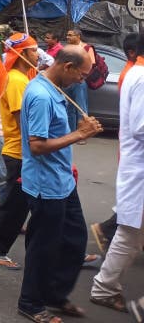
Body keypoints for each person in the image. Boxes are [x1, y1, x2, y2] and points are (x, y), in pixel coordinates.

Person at [16, 46, 103, 322]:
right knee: (43, 247)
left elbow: (52, 132)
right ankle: (30, 302)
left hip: (63, 181)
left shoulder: (53, 87)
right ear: (68, 67)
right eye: (82, 75)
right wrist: (79, 134)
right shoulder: (41, 95)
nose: (83, 81)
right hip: (46, 186)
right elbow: (38, 146)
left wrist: (76, 130)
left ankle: (54, 294)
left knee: (76, 241)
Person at [89, 33, 144, 314]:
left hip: (136, 166)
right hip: (140, 168)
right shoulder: (142, 76)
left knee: (131, 234)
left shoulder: (136, 72)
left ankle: (105, 286)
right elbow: (141, 127)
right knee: (129, 233)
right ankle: (104, 287)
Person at [0, 33, 40, 270]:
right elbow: (22, 120)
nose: (38, 54)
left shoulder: (24, 78)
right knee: (13, 207)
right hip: (18, 153)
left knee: (26, 206)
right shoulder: (16, 81)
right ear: (22, 54)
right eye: (34, 50)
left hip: (24, 154)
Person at [63, 29, 94, 133]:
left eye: (70, 35)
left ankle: (83, 132)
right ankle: (71, 133)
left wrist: (81, 78)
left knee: (81, 108)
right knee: (69, 108)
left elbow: (91, 65)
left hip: (79, 82)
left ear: (78, 36)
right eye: (67, 35)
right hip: (67, 81)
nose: (68, 37)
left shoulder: (87, 48)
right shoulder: (66, 48)